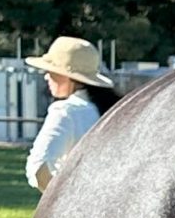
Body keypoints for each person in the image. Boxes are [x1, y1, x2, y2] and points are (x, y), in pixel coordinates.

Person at [23, 37, 117, 193]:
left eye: (51, 71)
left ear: (67, 76)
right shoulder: (111, 110)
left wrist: (64, 202)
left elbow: (39, 167)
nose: (47, 76)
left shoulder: (66, 111)